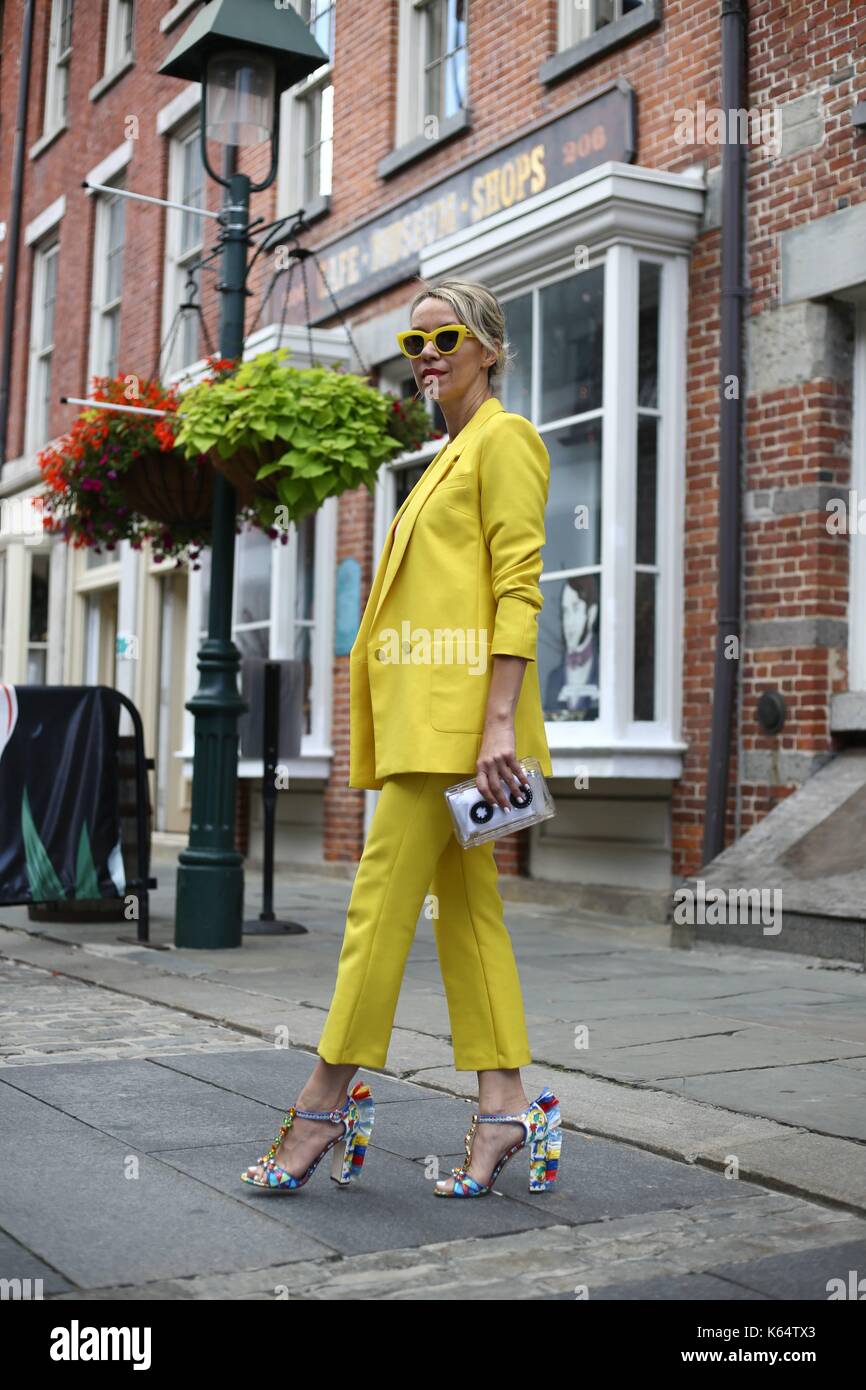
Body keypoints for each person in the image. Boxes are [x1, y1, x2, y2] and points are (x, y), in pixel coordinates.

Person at [241, 277, 562, 1198]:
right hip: (435, 726)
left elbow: (518, 585)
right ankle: (504, 1107)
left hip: (458, 732)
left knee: (377, 910)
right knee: (469, 915)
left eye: (445, 337)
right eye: (413, 342)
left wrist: (499, 719)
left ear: (488, 348)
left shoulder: (506, 440)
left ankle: (321, 1104)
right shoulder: (450, 453)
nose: (426, 355)